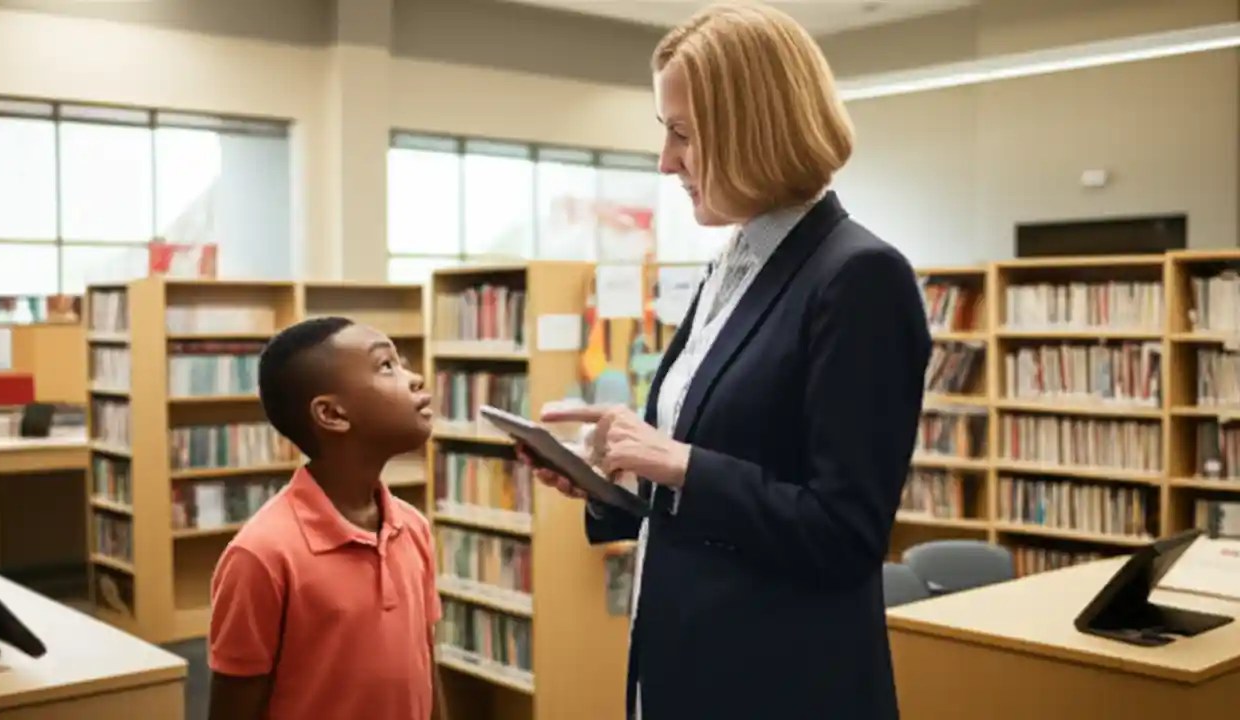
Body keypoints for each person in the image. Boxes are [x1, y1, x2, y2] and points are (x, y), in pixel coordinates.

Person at [524, 3, 931, 719]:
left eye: (682, 133)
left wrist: (678, 463)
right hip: (685, 667)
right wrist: (610, 480)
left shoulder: (858, 276)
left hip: (782, 684)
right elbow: (713, 487)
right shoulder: (728, 269)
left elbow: (845, 532)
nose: (665, 160)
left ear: (751, 127)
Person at [206, 316, 444, 720]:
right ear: (332, 414)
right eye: (387, 366)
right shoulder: (262, 555)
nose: (415, 378)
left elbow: (424, 664)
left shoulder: (412, 527)